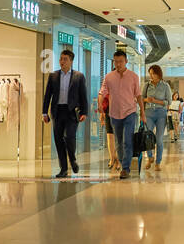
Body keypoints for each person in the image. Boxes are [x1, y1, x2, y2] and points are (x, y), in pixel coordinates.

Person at [42, 49, 88, 177]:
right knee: (58, 140)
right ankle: (63, 169)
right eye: (61, 59)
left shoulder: (78, 76)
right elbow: (47, 95)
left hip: (71, 112)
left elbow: (83, 95)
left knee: (69, 137)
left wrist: (84, 112)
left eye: (65, 59)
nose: (62, 61)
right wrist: (44, 112)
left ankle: (72, 159)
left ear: (71, 61)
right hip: (57, 111)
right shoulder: (53, 76)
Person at [99, 49, 142, 179]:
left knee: (127, 140)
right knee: (118, 141)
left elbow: (138, 95)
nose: (118, 64)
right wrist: (100, 104)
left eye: (121, 61)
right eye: (116, 62)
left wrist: (143, 114)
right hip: (114, 113)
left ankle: (125, 168)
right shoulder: (109, 76)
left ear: (126, 61)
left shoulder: (134, 76)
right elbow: (102, 92)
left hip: (130, 112)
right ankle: (122, 163)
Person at [141, 64, 172, 170]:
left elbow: (169, 101)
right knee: (147, 137)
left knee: (159, 139)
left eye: (153, 73)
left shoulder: (165, 85)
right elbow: (141, 99)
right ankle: (150, 158)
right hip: (148, 113)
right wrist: (146, 100)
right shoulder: (147, 85)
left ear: (158, 74)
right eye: (150, 74)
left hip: (161, 114)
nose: (151, 76)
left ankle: (158, 162)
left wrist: (156, 101)